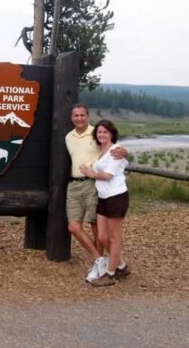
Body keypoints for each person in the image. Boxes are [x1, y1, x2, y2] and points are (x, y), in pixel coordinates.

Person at [65, 104, 127, 283]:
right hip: (74, 185)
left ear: (88, 116)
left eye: (82, 115)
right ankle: (102, 261)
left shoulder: (96, 133)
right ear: (71, 117)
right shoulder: (68, 137)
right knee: (73, 227)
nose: (79, 118)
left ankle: (104, 269)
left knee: (96, 228)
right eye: (75, 115)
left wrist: (126, 151)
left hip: (93, 185)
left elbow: (115, 150)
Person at [79, 120, 130, 287]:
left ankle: (110, 273)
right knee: (101, 237)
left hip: (116, 196)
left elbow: (108, 175)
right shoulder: (102, 151)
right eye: (99, 132)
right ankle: (121, 266)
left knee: (114, 238)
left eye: (105, 132)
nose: (102, 135)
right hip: (103, 197)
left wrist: (91, 173)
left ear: (111, 134)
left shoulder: (116, 150)